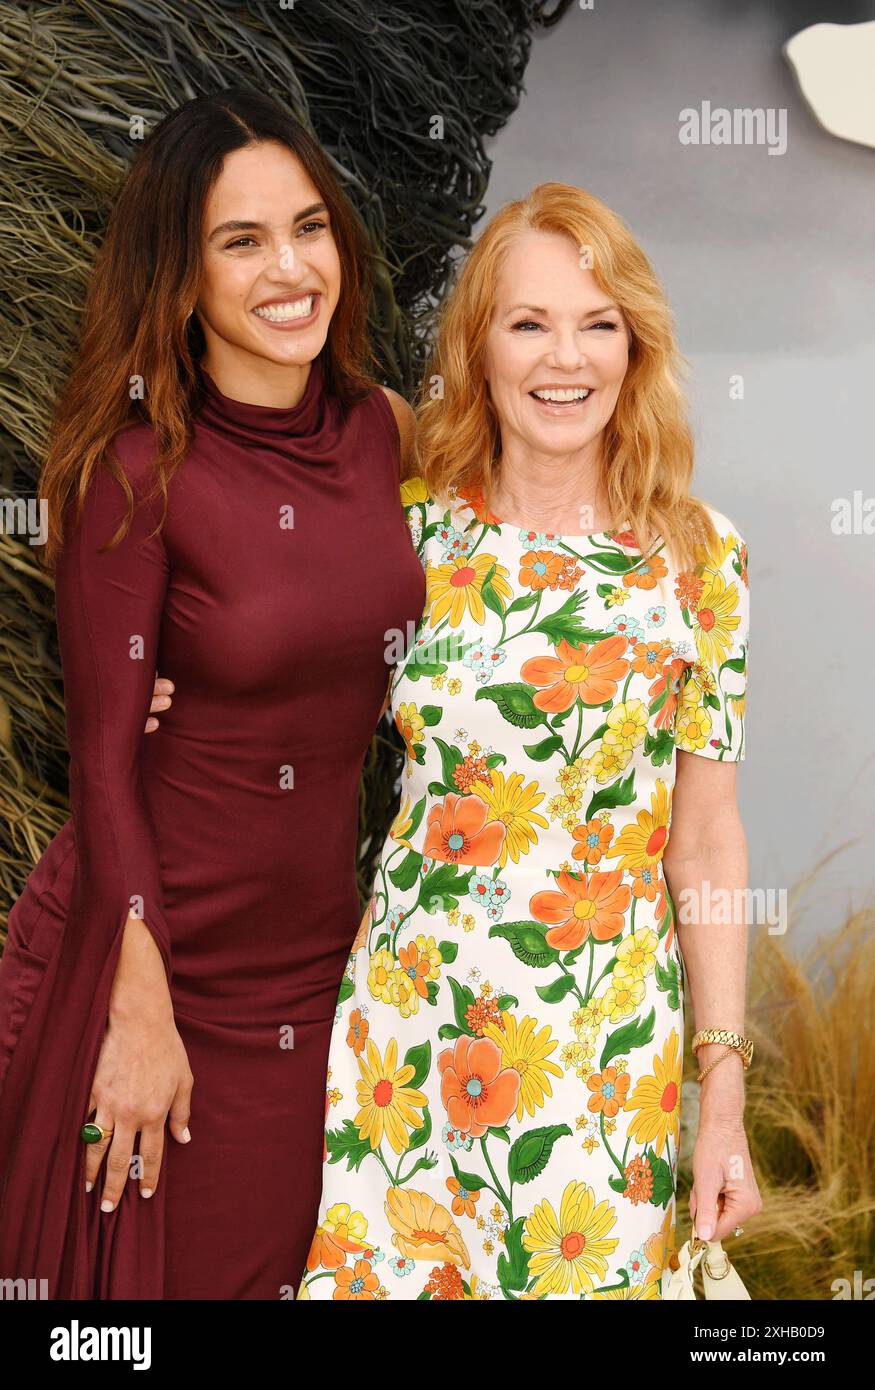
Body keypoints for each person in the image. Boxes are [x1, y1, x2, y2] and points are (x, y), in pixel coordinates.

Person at [295, 182, 762, 1301]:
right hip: (403, 1047)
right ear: (478, 346)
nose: (567, 359)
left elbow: (702, 843)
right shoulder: (404, 539)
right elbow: (281, 708)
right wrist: (172, 685)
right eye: (529, 322)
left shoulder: (699, 561)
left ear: (634, 347)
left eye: (598, 323)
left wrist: (723, 1093)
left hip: (599, 1071)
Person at [0, 87, 424, 1299]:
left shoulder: (387, 435)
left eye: (309, 228)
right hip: (152, 960)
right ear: (179, 281)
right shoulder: (129, 474)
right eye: (241, 242)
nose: (291, 268)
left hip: (313, 976)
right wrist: (138, 1015)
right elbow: (102, 762)